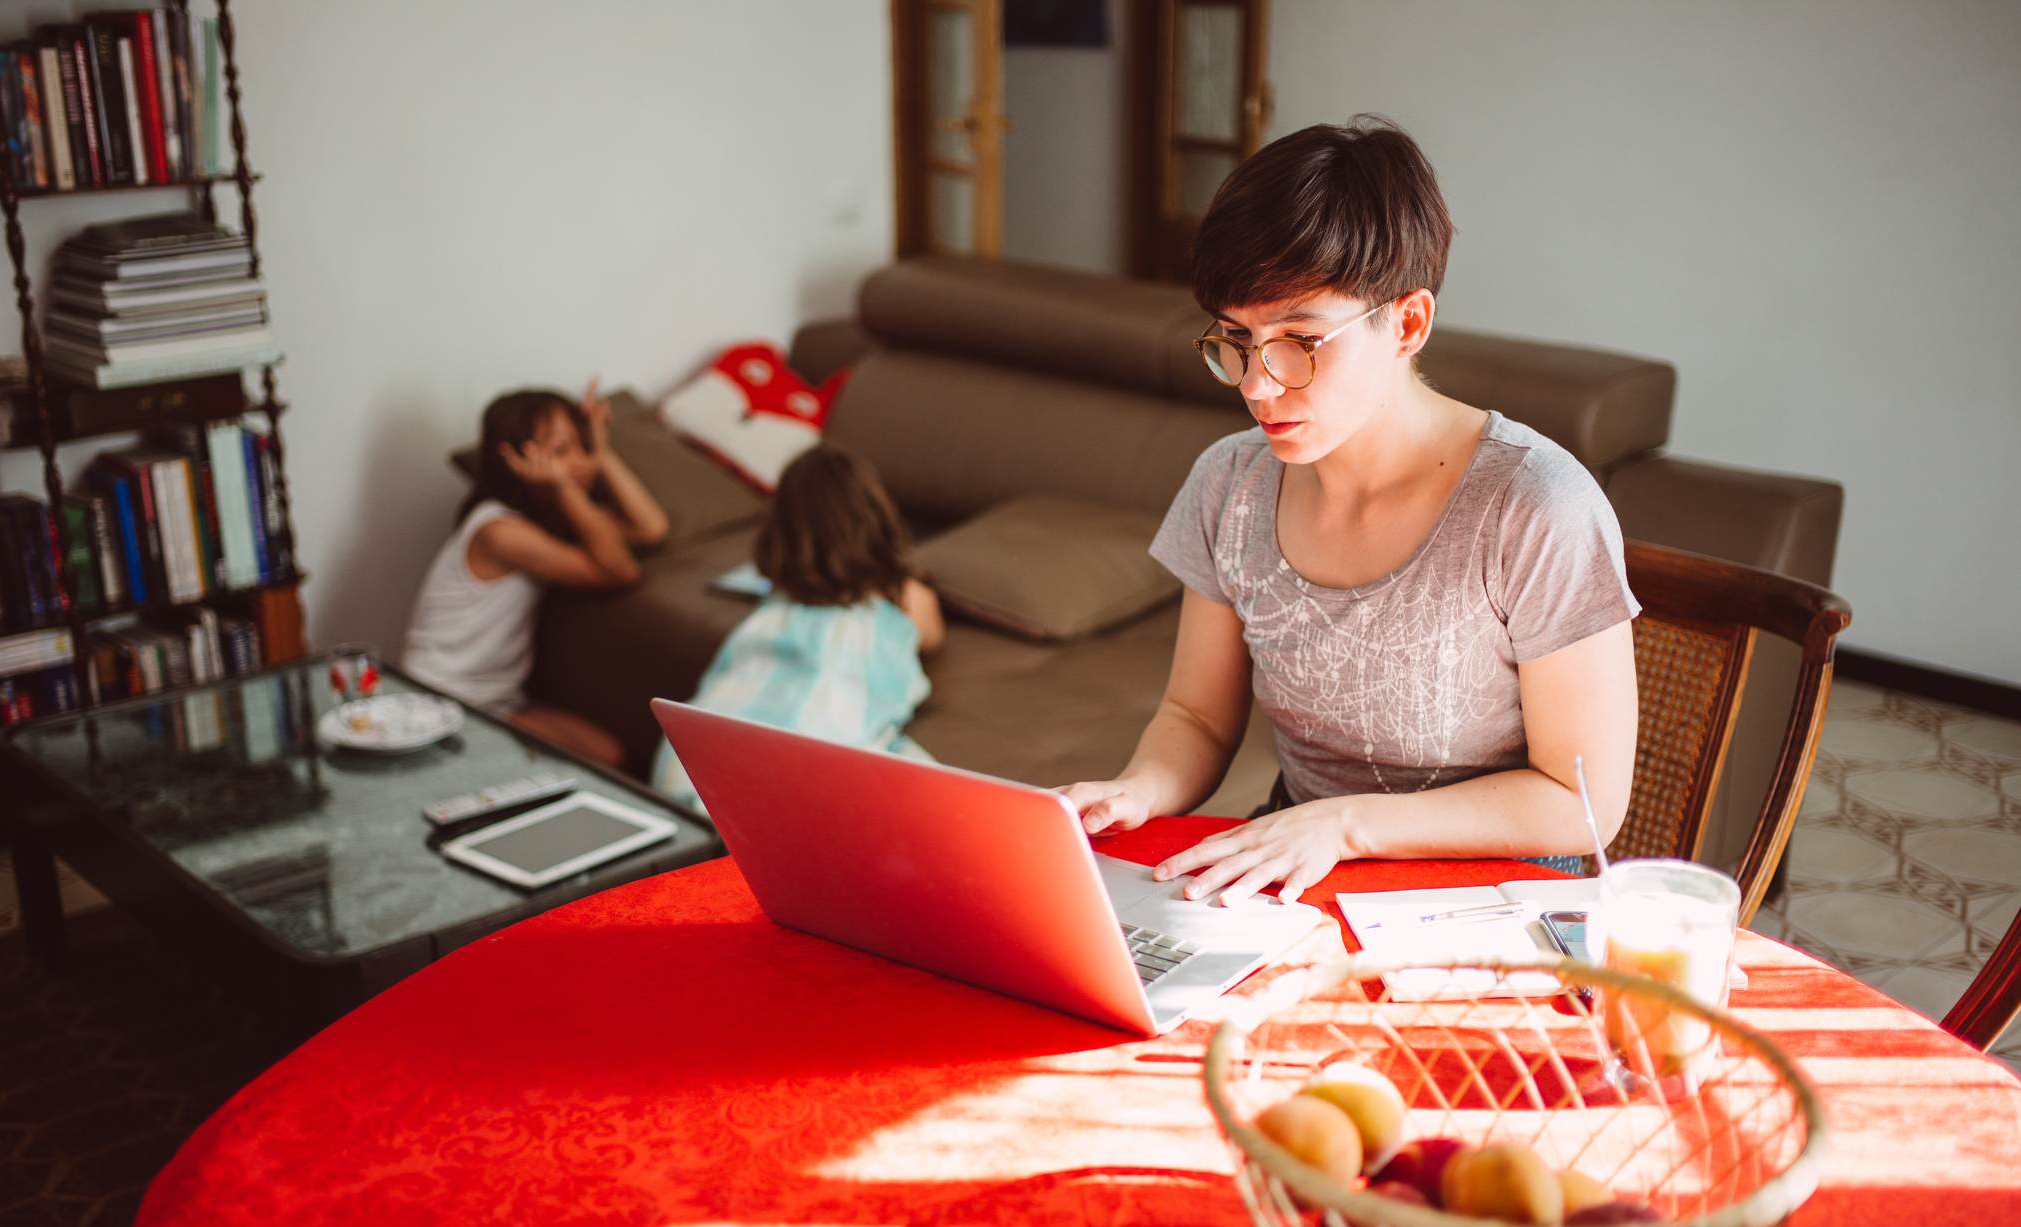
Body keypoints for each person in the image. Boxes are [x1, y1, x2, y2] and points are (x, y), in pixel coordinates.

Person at [1060, 116, 1641, 905]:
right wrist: (1138, 788)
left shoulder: (1534, 507)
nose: (1256, 385)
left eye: (1299, 339)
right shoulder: (1230, 484)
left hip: (1498, 896)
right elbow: (1194, 715)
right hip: (1303, 869)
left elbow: (1584, 803)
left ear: (1406, 323)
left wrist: (1343, 825)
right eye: (1237, 339)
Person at [652, 444, 944, 815]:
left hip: (687, 766)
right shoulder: (902, 596)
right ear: (876, 517)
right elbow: (931, 636)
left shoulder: (780, 594)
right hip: (800, 767)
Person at [401, 379, 668, 769]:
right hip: (444, 699)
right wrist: (564, 487)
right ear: (515, 459)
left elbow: (651, 528)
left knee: (614, 755)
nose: (579, 461)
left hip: (498, 700)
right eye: (562, 450)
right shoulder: (498, 531)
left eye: (582, 445)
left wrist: (603, 453)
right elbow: (620, 571)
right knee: (605, 758)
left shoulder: (555, 519)